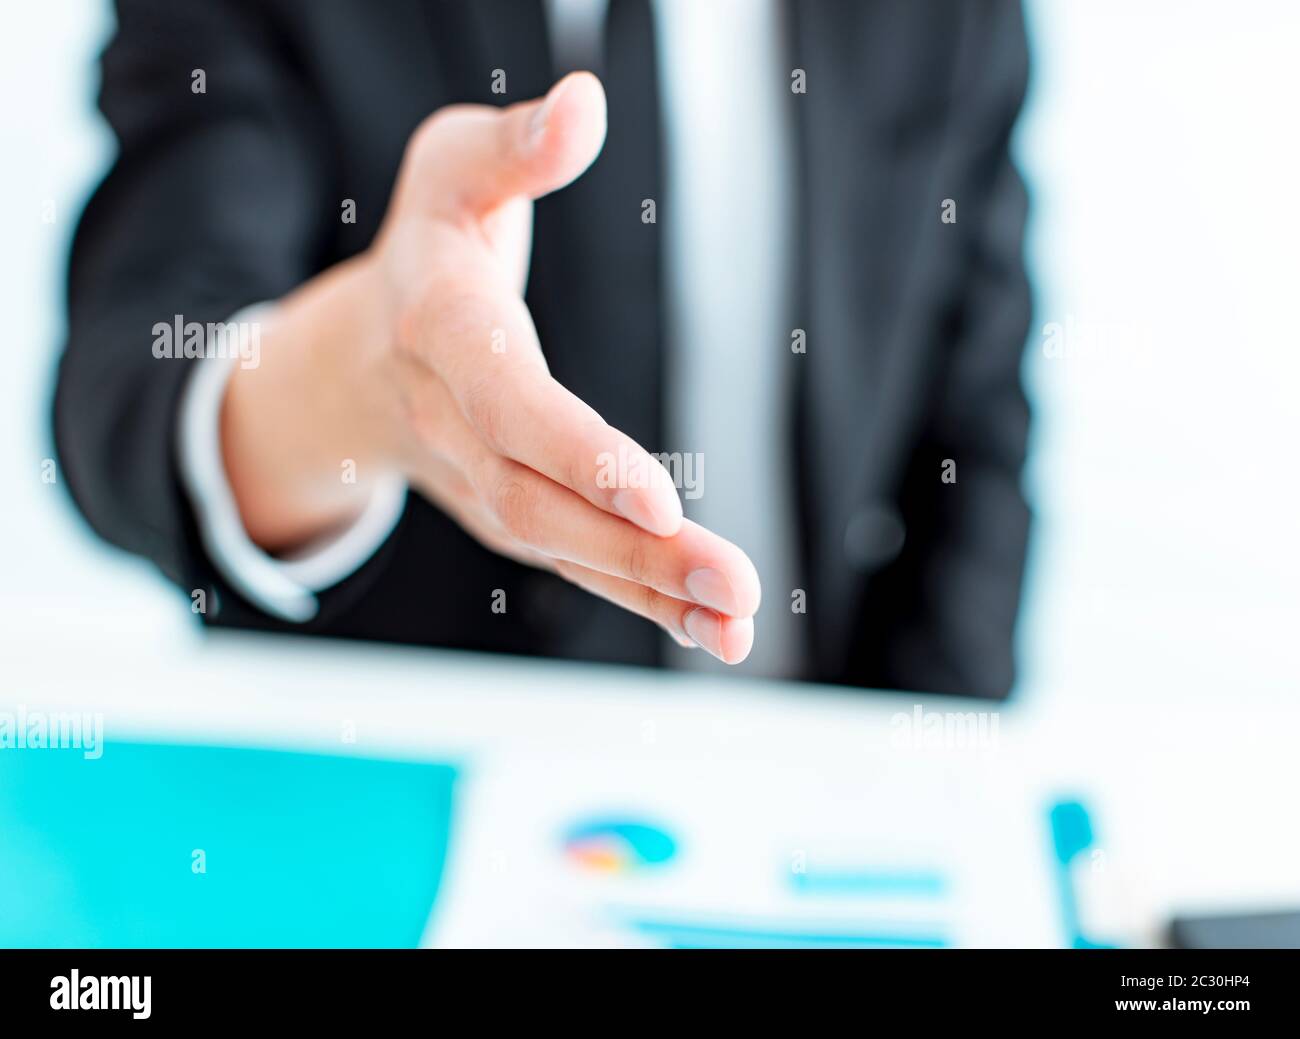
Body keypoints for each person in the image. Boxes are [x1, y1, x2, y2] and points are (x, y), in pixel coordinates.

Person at [54, 0, 1032, 697]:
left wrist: (924, 767)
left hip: (817, 789)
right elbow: (130, 382)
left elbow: (978, 423)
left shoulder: (948, 18)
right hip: (397, 793)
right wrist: (356, 391)